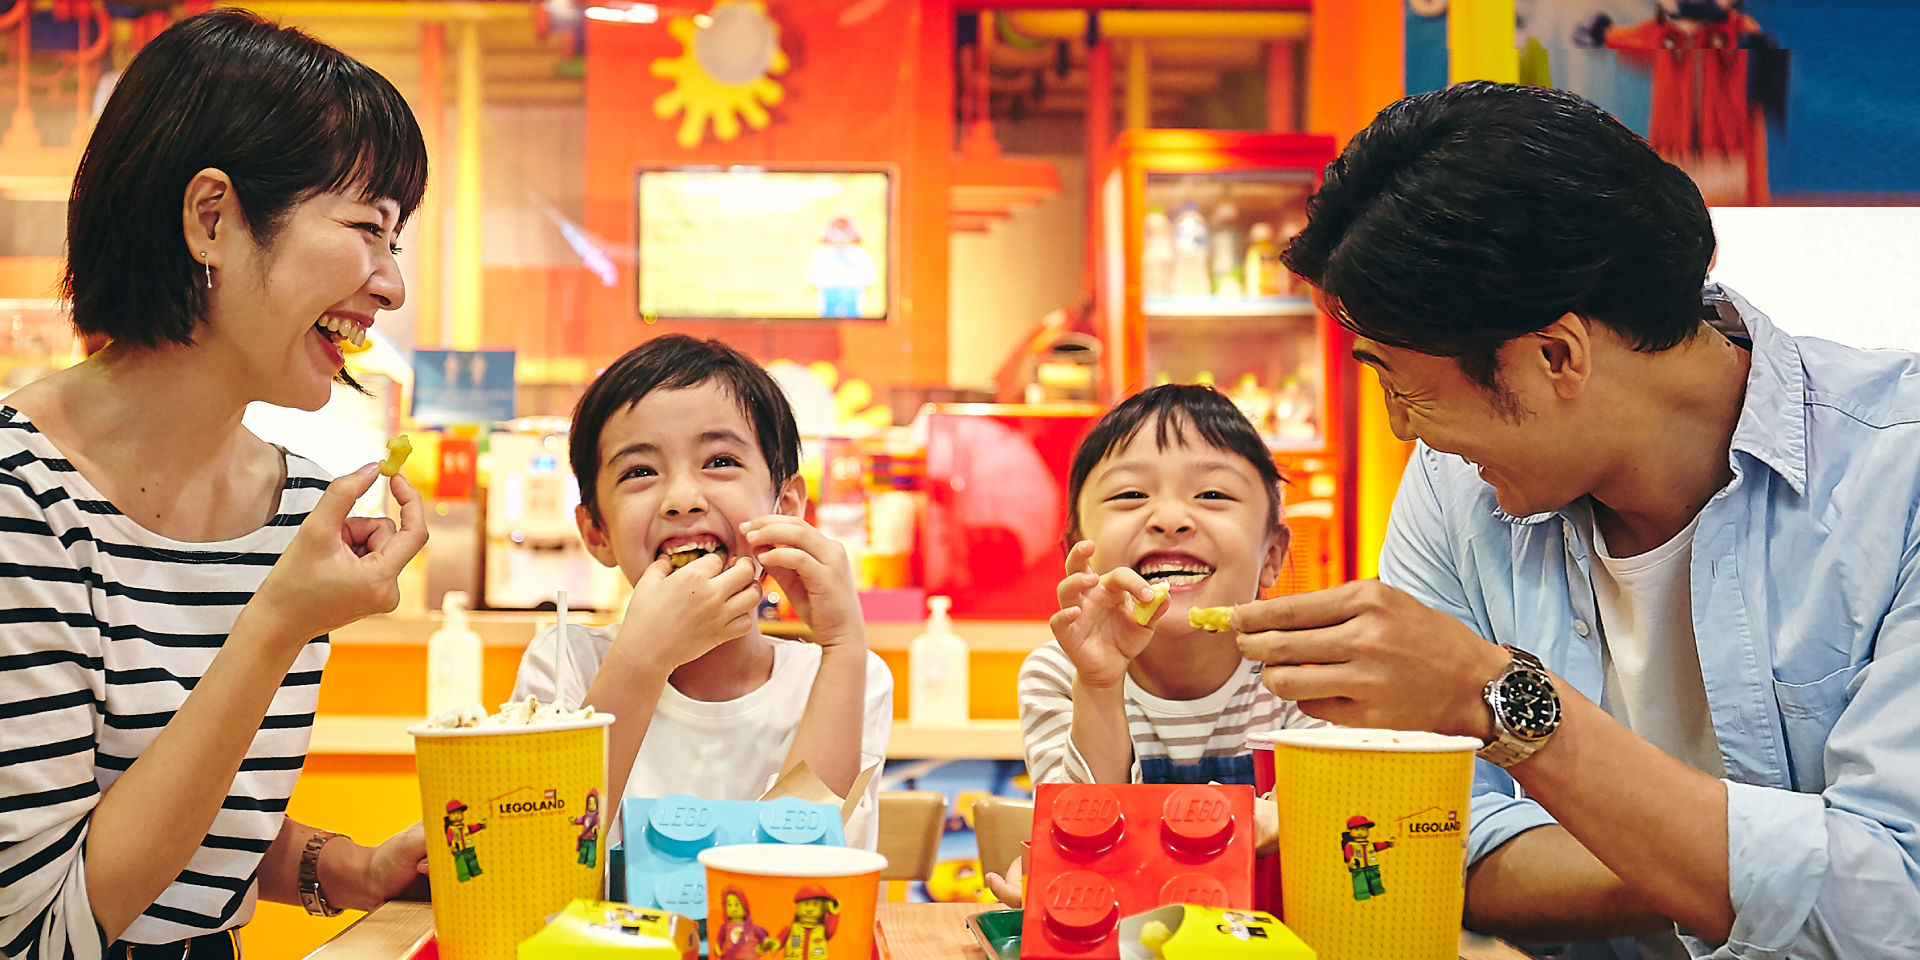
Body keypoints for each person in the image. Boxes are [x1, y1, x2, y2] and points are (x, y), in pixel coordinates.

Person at [1232, 79, 1920, 958]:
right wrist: (1742, 862)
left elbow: (1893, 903)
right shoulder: (1453, 489)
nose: (1401, 424)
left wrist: (1498, 701)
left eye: (1397, 380)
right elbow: (1431, 850)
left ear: (1555, 354)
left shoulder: (1895, 476)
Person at [0, 10, 431, 960]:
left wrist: (334, 868)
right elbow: (42, 927)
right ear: (212, 218)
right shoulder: (22, 500)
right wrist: (274, 628)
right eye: (368, 229)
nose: (390, 283)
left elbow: (149, 798)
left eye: (395, 241)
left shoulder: (296, 509)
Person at [510, 334, 891, 846]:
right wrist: (641, 661)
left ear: (787, 505)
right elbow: (542, 851)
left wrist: (845, 646)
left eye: (719, 462)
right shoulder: (563, 664)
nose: (683, 499)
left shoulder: (844, 675)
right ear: (596, 532)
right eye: (640, 472)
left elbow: (800, 860)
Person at [992, 385, 1321, 903]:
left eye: (1213, 495)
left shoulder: (1307, 673)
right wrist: (1099, 684)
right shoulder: (1059, 674)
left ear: (1273, 554)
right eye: (1129, 495)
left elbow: (1343, 830)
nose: (1169, 518)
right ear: (1076, 551)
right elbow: (1082, 843)